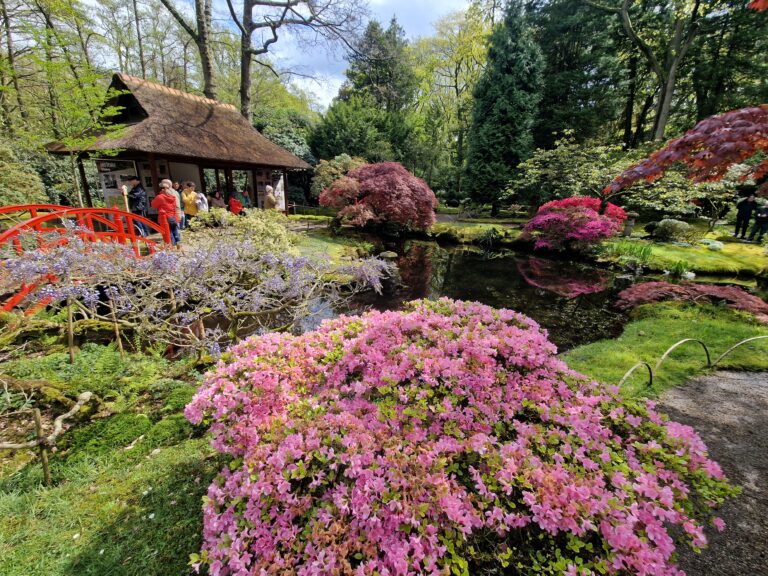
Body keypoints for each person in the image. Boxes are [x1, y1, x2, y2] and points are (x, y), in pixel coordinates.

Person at [151, 179, 181, 247]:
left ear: (162, 189)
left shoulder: (160, 197)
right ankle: (178, 245)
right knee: (174, 231)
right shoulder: (172, 196)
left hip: (165, 217)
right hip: (173, 216)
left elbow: (153, 205)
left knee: (168, 233)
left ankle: (172, 246)